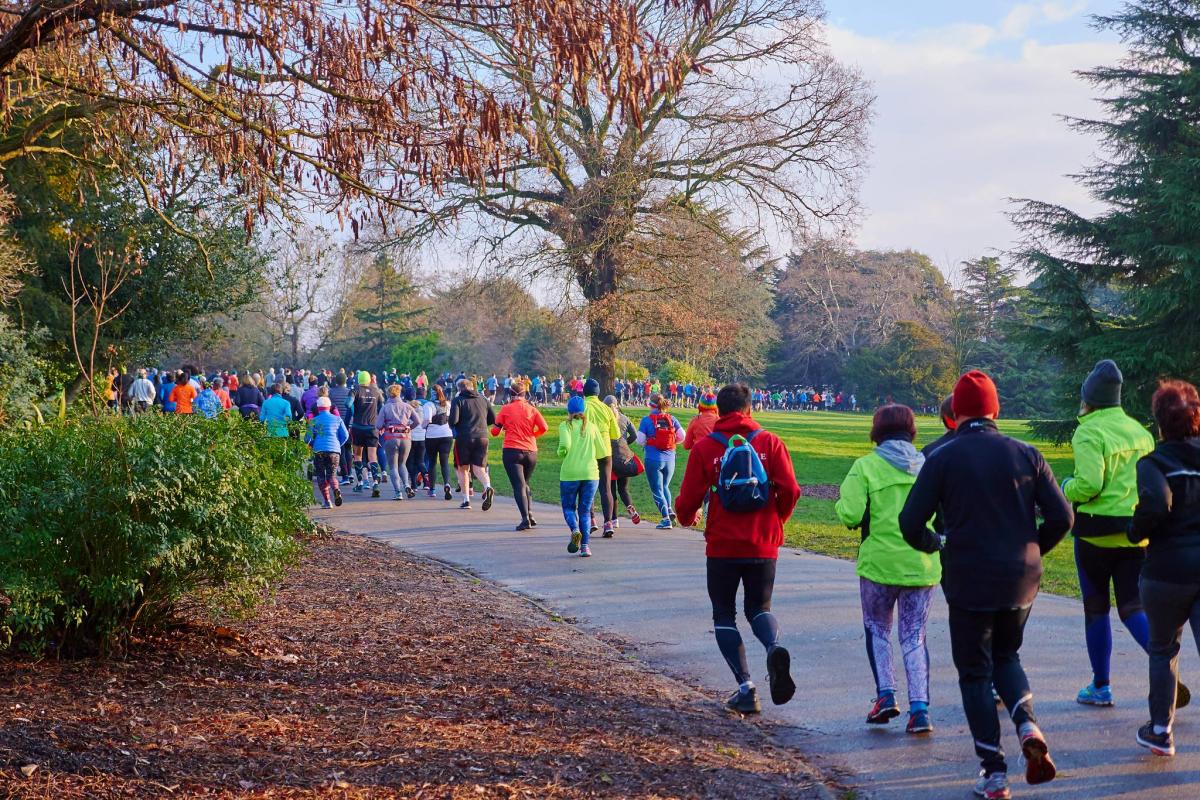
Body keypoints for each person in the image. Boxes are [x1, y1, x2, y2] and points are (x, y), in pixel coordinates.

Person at [899, 371, 1072, 800]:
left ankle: (994, 772)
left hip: (969, 574)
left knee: (975, 672)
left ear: (956, 413)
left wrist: (936, 543)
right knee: (1007, 655)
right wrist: (1032, 548)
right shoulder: (1026, 454)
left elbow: (909, 522)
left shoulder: (943, 456)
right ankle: (1027, 721)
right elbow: (1063, 518)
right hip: (1020, 575)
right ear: (996, 410)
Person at [675, 383, 800, 715]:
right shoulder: (770, 443)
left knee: (724, 613)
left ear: (718, 410)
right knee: (759, 608)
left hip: (723, 544)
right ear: (749, 409)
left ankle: (746, 688)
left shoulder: (706, 448)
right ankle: (773, 646)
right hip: (763, 541)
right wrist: (777, 520)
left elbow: (688, 499)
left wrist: (686, 518)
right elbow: (790, 489)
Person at [1061, 360, 1175, 709]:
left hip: (1095, 534)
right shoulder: (1140, 432)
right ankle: (1166, 667)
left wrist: (1068, 488)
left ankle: (1101, 685)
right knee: (1131, 607)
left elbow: (1090, 483)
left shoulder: (1088, 431)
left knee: (1096, 609)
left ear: (1089, 398)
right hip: (1135, 534)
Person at [835, 404, 940, 734]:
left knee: (878, 630)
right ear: (912, 430)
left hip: (878, 564)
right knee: (914, 636)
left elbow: (850, 514)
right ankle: (920, 708)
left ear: (876, 431)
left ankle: (885, 695)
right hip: (921, 564)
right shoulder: (930, 466)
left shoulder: (865, 466)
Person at [1131, 380, 1200, 757]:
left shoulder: (1154, 463)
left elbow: (1156, 504)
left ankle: (1160, 730)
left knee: (1163, 650)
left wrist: (1134, 530)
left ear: (1159, 422)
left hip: (1167, 572)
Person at [492, 379, 549, 530]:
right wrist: (532, 436)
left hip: (512, 451)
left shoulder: (505, 409)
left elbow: (495, 432)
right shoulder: (532, 409)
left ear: (510, 394)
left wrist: (501, 427)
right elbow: (544, 427)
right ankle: (530, 513)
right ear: (525, 394)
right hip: (531, 451)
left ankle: (525, 520)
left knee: (519, 486)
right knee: (525, 483)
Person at [558, 396, 601, 557]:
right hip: (591, 474)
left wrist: (561, 452)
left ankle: (575, 530)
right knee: (584, 511)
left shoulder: (566, 425)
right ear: (583, 410)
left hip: (570, 474)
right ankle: (585, 547)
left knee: (569, 507)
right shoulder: (592, 427)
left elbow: (565, 445)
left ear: (569, 410)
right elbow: (601, 450)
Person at [638, 393, 685, 530]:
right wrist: (671, 442)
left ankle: (665, 519)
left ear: (650, 404)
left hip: (653, 459)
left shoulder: (646, 420)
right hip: (670, 458)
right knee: (665, 486)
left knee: (657, 490)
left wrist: (649, 441)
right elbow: (682, 435)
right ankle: (670, 510)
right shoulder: (672, 419)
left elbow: (640, 440)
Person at [449, 378, 496, 510]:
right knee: (479, 468)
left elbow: (453, 420)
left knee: (463, 468)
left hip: (464, 437)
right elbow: (493, 419)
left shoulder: (458, 400)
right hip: (482, 436)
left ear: (459, 389)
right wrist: (480, 425)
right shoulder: (483, 399)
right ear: (472, 387)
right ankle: (487, 487)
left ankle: (466, 500)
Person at [582, 379, 620, 537]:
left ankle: (591, 520)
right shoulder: (606, 408)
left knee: (588, 487)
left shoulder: (584, 406)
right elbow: (616, 434)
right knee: (606, 488)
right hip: (605, 452)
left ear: (584, 392)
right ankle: (608, 523)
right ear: (598, 393)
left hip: (589, 451)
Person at [377, 384, 422, 501]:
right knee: (402, 464)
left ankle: (398, 492)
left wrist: (384, 426)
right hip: (406, 438)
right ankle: (407, 485)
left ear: (388, 394)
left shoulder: (385, 407)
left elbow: (378, 425)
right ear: (399, 394)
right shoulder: (407, 406)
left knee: (393, 467)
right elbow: (418, 421)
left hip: (391, 438)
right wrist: (409, 428)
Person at [605, 395, 642, 526]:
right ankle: (630, 506)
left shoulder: (605, 420)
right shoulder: (624, 418)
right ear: (617, 405)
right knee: (624, 489)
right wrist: (626, 443)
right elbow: (635, 435)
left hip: (610, 460)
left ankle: (614, 520)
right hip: (625, 458)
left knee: (611, 492)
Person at [306, 396, 349, 509]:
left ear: (318, 408)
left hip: (319, 450)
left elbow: (307, 438)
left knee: (321, 476)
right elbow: (345, 435)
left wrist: (312, 443)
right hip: (334, 451)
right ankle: (336, 489)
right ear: (329, 407)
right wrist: (337, 444)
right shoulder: (337, 419)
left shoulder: (313, 420)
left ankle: (327, 501)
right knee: (332, 475)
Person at [349, 370, 385, 497]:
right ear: (369, 379)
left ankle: (359, 483)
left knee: (358, 455)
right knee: (372, 456)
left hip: (358, 427)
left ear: (359, 379)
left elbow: (347, 404)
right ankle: (375, 482)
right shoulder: (376, 391)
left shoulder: (355, 390)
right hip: (372, 427)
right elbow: (382, 407)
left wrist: (354, 409)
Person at [425, 384, 455, 500]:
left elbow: (427, 419)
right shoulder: (448, 404)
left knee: (432, 462)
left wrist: (423, 427)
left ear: (432, 393)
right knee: (444, 461)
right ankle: (447, 483)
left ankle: (432, 490)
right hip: (447, 435)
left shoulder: (429, 405)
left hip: (432, 435)